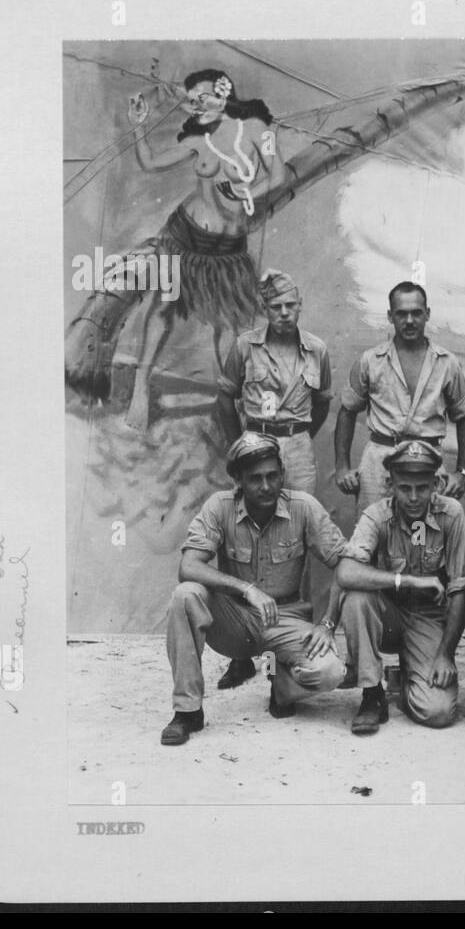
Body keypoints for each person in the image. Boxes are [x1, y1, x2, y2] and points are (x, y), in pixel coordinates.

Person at [86, 69, 283, 430]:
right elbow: (149, 163)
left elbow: (277, 175)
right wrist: (139, 125)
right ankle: (141, 391)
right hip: (185, 237)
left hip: (229, 250)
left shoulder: (258, 129)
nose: (194, 105)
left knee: (230, 325)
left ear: (224, 93)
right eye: (190, 99)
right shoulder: (198, 142)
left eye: (201, 97)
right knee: (163, 308)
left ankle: (231, 397)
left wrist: (246, 195)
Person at [161, 433, 347, 745]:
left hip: (285, 619)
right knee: (186, 595)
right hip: (235, 620)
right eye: (255, 479)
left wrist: (328, 623)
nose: (265, 487)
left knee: (330, 672)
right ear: (238, 481)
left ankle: (283, 687)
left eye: (273, 476)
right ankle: (187, 710)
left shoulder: (304, 508)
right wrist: (246, 588)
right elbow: (188, 567)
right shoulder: (219, 507)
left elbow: (345, 564)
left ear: (282, 475)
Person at [336, 440, 465, 735]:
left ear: (436, 483)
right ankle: (372, 695)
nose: (413, 497)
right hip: (387, 614)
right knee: (357, 596)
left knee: (438, 712)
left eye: (422, 488)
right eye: (404, 488)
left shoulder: (452, 514)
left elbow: (461, 588)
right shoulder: (376, 515)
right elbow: (346, 572)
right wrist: (406, 579)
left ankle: (408, 680)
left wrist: (445, 654)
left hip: (428, 618)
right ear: (389, 484)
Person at [334, 281, 465, 513]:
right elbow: (347, 410)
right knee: (374, 535)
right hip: (379, 462)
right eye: (401, 314)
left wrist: (462, 472)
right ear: (390, 316)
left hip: (426, 463)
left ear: (427, 314)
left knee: (421, 538)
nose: (409, 321)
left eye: (416, 313)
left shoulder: (447, 363)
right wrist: (342, 468)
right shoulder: (370, 361)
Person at [217, 270, 333, 498]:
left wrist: (300, 434)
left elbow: (322, 403)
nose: (284, 313)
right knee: (253, 515)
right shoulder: (245, 346)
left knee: (299, 513)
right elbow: (224, 397)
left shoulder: (316, 350)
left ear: (300, 305)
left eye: (290, 306)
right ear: (264, 309)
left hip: (298, 447)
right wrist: (237, 444)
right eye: (276, 307)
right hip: (255, 440)